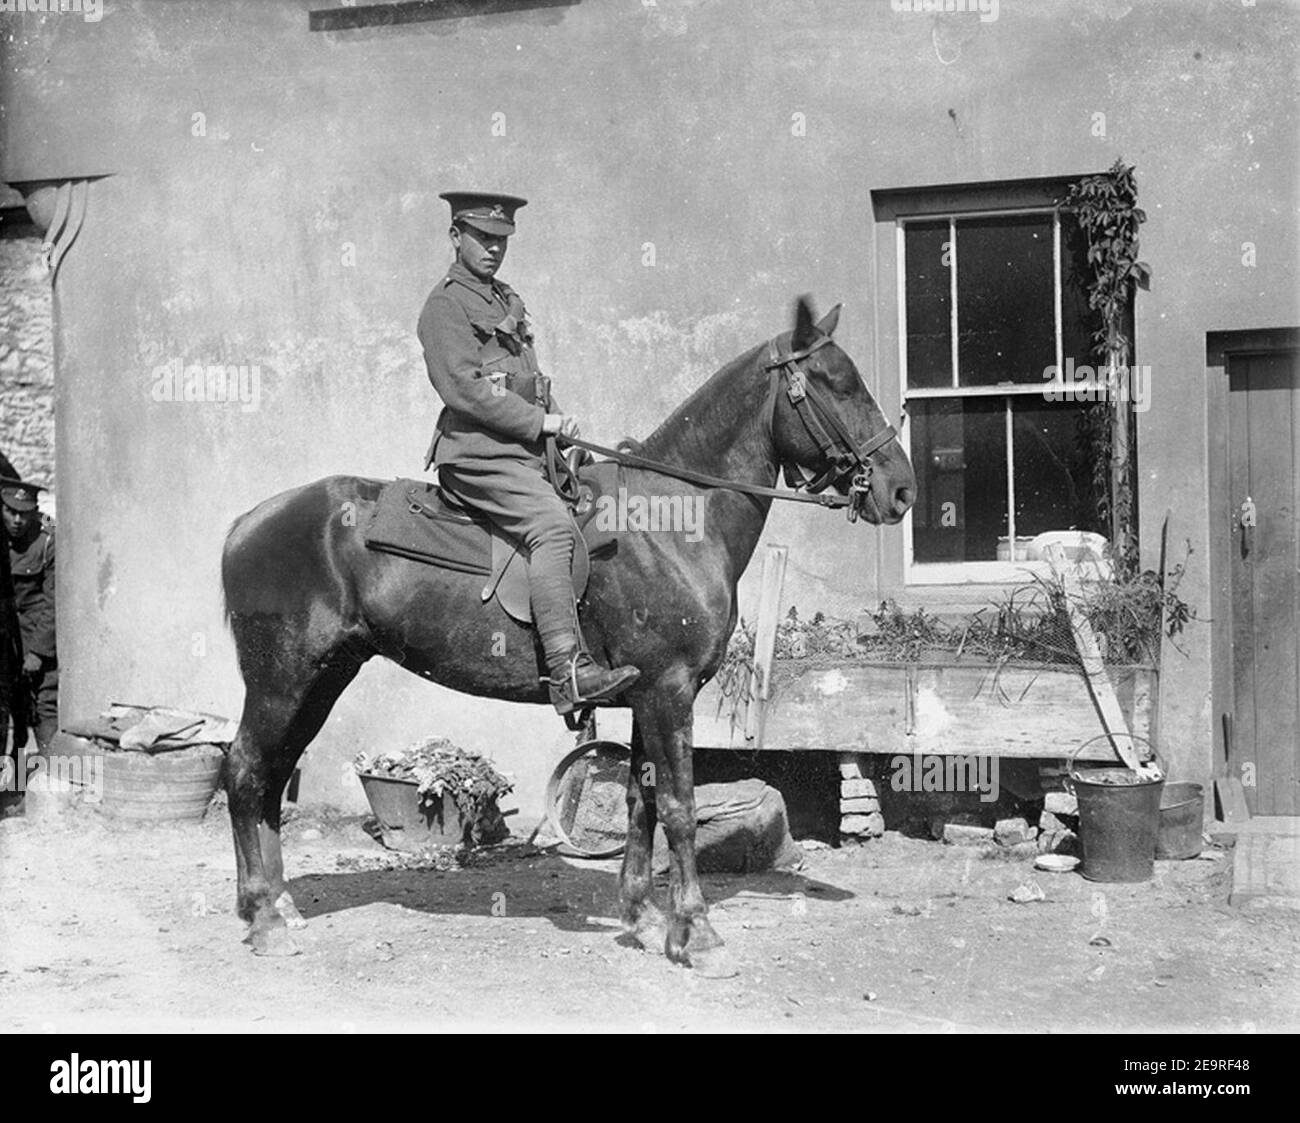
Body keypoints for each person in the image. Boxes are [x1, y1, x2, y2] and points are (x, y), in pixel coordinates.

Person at [417, 191, 639, 714]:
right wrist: (542, 423)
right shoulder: (445, 305)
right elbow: (465, 389)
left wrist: (559, 429)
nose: (494, 249)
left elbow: (526, 381)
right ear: (456, 237)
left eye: (502, 240)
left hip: (526, 453)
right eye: (483, 238)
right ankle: (567, 672)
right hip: (477, 457)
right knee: (552, 528)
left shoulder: (505, 300)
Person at [1, 477, 57, 752]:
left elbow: (53, 601)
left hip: (35, 635)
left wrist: (37, 651)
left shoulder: (46, 542)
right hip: (5, 637)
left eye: (24, 513)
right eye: (11, 511)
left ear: (35, 512)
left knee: (42, 706)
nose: (17, 520)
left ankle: (52, 776)